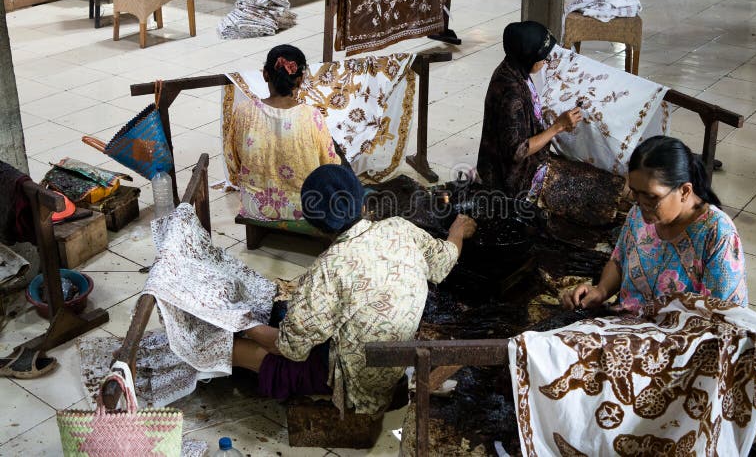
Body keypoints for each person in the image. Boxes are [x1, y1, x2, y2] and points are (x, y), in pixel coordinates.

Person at [232, 164, 477, 414]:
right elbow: (444, 259)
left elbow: (287, 348)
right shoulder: (400, 228)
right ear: (363, 205)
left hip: (359, 384)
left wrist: (243, 323)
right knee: (287, 316)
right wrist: (457, 232)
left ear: (315, 225)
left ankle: (228, 360)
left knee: (250, 353)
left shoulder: (327, 270)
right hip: (393, 360)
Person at [562, 136, 747, 315]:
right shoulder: (638, 214)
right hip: (627, 327)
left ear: (684, 191)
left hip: (681, 337)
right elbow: (619, 260)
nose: (642, 206)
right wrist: (600, 291)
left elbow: (722, 316)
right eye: (635, 194)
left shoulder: (718, 234)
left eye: (652, 198)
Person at [223, 44, 340, 222]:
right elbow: (329, 165)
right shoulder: (312, 116)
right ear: (300, 80)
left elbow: (232, 162)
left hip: (256, 207)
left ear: (265, 74)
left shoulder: (244, 112)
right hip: (307, 208)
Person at [477, 21, 582, 198]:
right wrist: (558, 126)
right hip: (512, 180)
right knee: (583, 185)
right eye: (542, 58)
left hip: (519, 165)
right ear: (527, 56)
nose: (545, 62)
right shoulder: (511, 93)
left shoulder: (513, 67)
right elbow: (517, 151)